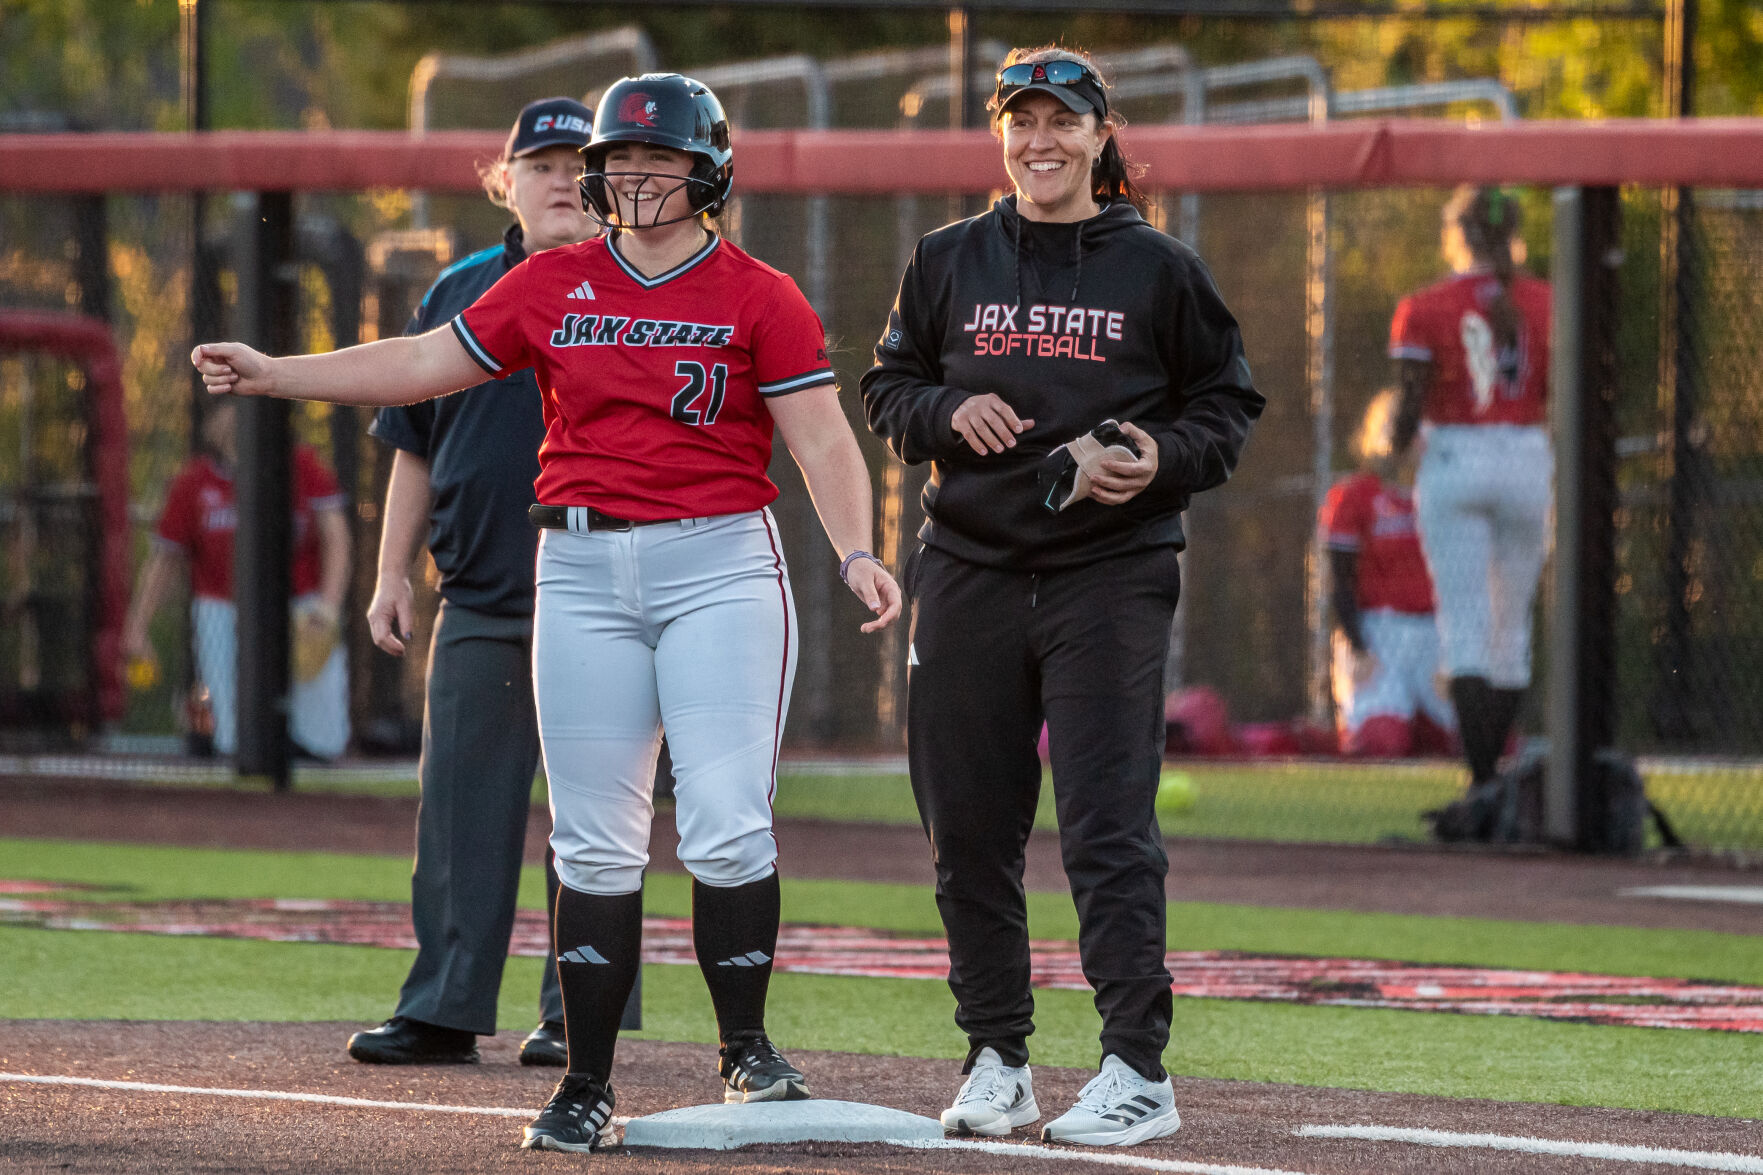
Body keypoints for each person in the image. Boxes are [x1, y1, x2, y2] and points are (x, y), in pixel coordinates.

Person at [192, 71, 900, 1154]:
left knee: (723, 814)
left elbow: (820, 439)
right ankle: (585, 1078)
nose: (631, 177)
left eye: (656, 160)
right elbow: (426, 364)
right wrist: (276, 372)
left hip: (716, 564)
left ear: (706, 171)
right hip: (574, 568)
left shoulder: (760, 292)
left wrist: (856, 548)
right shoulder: (551, 281)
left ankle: (746, 1047)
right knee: (594, 837)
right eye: (618, 161)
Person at [861, 46, 1263, 1149]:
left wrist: (1156, 453)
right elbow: (886, 389)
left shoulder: (1158, 268)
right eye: (1019, 121)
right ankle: (996, 1057)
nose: (1038, 141)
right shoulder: (944, 258)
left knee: (1103, 824)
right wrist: (946, 411)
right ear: (999, 134)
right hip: (969, 567)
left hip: (1110, 572)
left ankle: (1136, 1068)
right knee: (967, 831)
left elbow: (1226, 407)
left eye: (1061, 122)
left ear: (1099, 135)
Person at [343, 97, 596, 1072]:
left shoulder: (637, 286)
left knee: (592, 818)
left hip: (605, 597)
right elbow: (413, 440)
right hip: (483, 596)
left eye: (581, 160)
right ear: (503, 179)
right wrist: (389, 572)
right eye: (542, 163)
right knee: (459, 814)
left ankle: (580, 1006)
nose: (564, 177)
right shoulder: (458, 287)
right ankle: (444, 1006)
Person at [1389, 185, 1550, 799]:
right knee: (1512, 629)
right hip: (1527, 458)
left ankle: (1482, 782)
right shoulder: (1546, 300)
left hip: (1455, 456)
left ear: (1456, 235)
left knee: (1465, 626)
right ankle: (1497, 782)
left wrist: (1391, 459)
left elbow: (1408, 405)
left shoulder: (1426, 307)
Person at [122, 396, 350, 760]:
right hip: (223, 607)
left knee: (323, 738)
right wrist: (137, 626)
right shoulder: (194, 481)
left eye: (246, 406)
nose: (237, 418)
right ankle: (241, 776)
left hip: (300, 604)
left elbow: (336, 539)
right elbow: (164, 561)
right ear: (210, 424)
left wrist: (327, 608)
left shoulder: (301, 464)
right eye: (228, 409)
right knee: (235, 734)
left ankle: (313, 780)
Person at [1320, 389, 1455, 758]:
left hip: (1438, 632)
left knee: (1466, 742)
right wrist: (1358, 647)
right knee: (1382, 744)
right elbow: (1340, 580)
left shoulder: (1446, 497)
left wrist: (1459, 653)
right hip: (1378, 631)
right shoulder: (1355, 496)